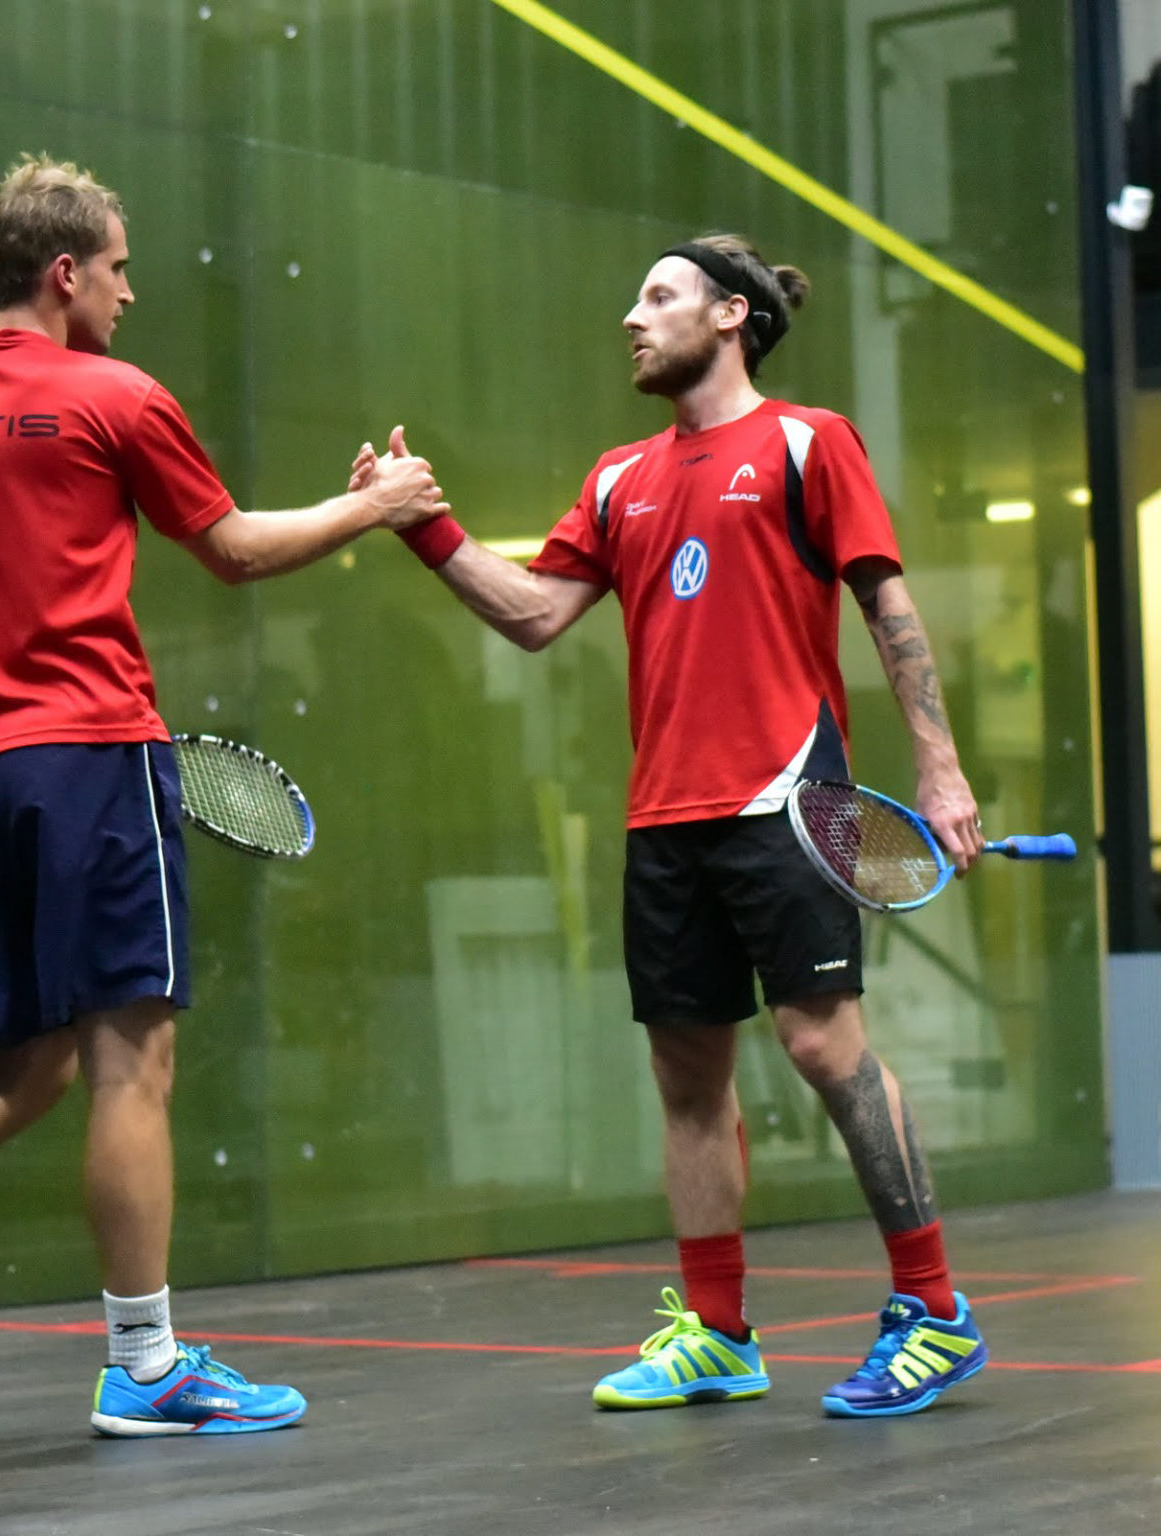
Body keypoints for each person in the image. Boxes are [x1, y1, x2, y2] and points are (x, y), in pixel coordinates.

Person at [0, 153, 446, 1443]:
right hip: (89, 761)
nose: (129, 295)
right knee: (133, 1057)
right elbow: (232, 551)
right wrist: (376, 505)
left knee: (23, 1059)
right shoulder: (115, 396)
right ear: (65, 272)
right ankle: (145, 1365)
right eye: (119, 269)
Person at [357, 234, 989, 1418]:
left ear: (732, 316)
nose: (631, 318)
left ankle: (935, 1309)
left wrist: (940, 774)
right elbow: (536, 614)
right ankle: (715, 1330)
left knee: (821, 1048)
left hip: (788, 805)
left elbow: (886, 607)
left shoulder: (809, 442)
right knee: (686, 1073)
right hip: (664, 819)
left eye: (658, 296)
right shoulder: (616, 478)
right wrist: (427, 529)